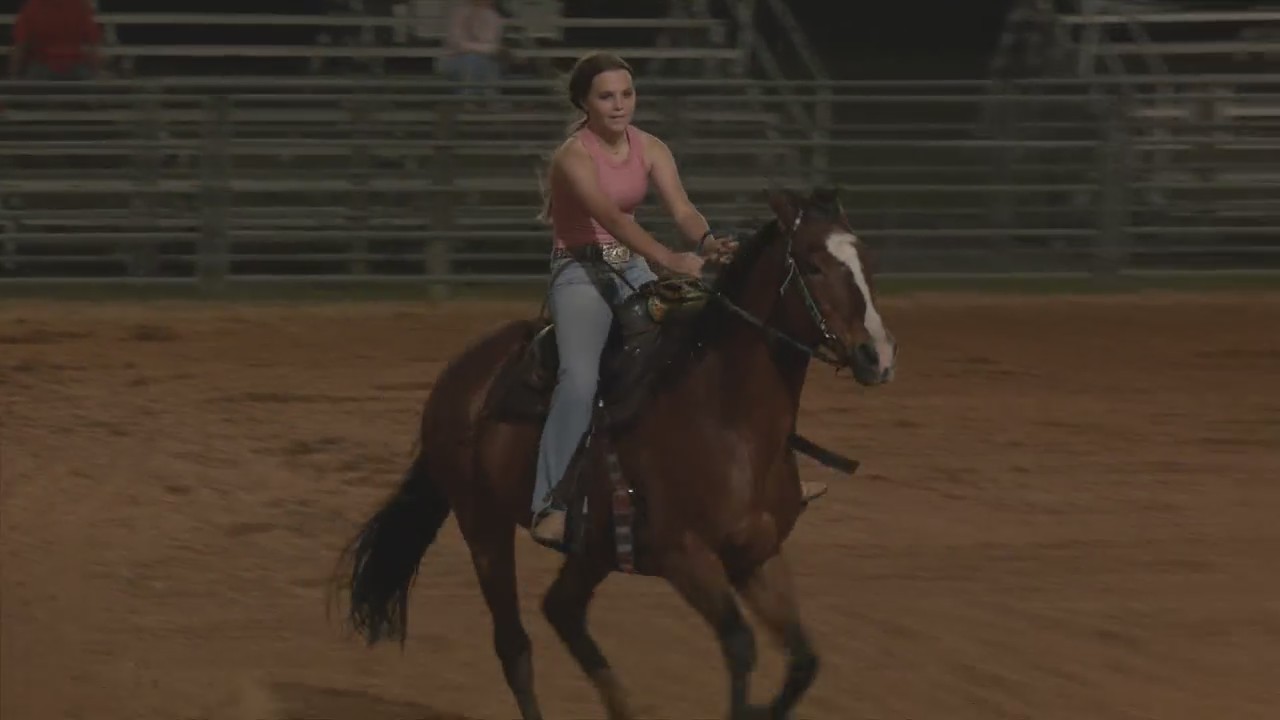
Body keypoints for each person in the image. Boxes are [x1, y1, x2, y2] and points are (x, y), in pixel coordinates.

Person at [529, 51, 826, 545]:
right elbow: (614, 220)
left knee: (714, 345)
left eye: (627, 94)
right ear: (584, 102)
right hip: (579, 270)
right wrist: (668, 258)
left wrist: (705, 241)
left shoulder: (650, 147)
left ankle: (768, 473)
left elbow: (683, 209)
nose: (619, 105)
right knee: (579, 379)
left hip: (631, 265)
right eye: (606, 97)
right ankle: (549, 503)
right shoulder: (572, 157)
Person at [8, 0, 102, 81]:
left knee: (30, 87)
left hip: (42, 68)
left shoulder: (33, 6)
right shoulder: (80, 5)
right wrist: (97, 74)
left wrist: (13, 75)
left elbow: (20, 46)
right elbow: (93, 44)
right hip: (75, 67)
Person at [439, 0, 504, 98]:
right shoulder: (459, 13)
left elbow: (491, 44)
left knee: (485, 61)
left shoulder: (493, 17)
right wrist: (483, 48)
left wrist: (482, 48)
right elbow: (458, 44)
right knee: (472, 59)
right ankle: (469, 99)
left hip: (484, 59)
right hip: (454, 59)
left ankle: (486, 99)